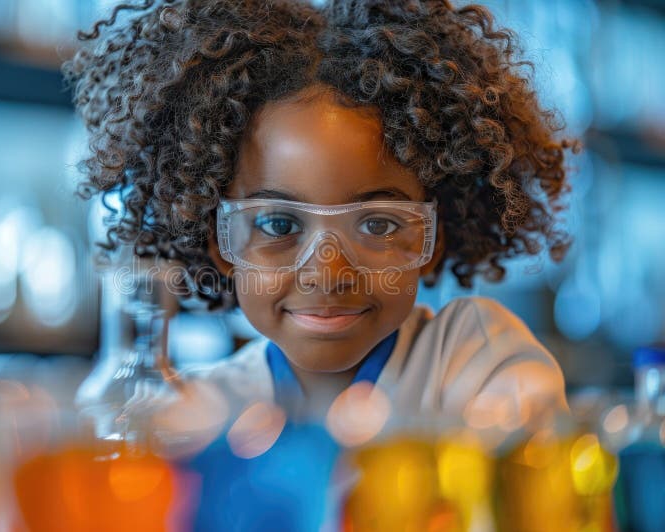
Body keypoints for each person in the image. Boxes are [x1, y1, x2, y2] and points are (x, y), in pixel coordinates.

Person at [66, 0, 574, 426]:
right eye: (278, 225)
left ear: (432, 239)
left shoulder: (474, 359)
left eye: (377, 224)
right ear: (222, 245)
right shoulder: (195, 417)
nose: (327, 275)